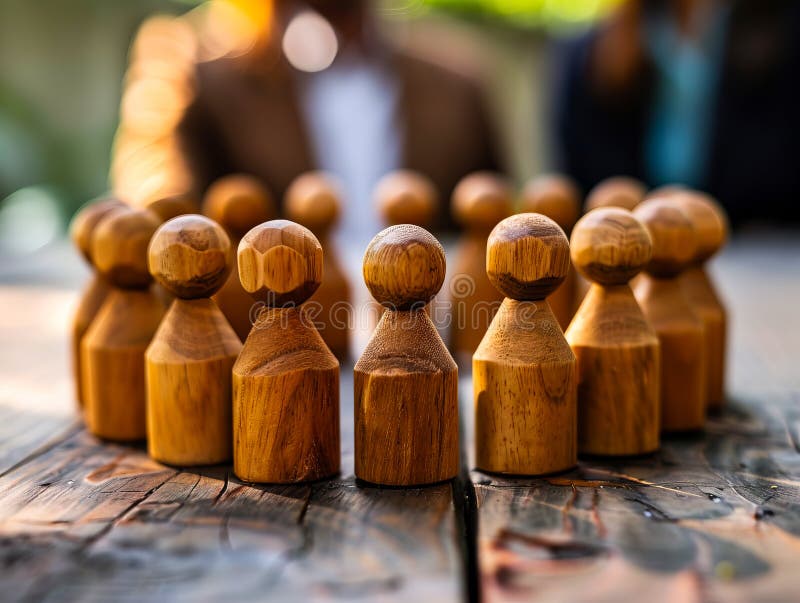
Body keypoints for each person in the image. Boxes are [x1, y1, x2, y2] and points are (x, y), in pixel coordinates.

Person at [113, 0, 502, 250]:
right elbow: (156, 201)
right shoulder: (189, 64)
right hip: (264, 349)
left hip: (434, 351)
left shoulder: (457, 81)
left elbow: (493, 223)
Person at [553, 0, 800, 224]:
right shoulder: (588, 59)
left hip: (768, 255)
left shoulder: (786, 34)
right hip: (631, 251)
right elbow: (581, 186)